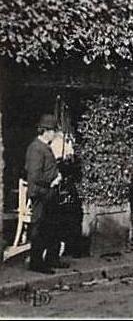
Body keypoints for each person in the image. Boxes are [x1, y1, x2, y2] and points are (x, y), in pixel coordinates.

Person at [25, 114, 67, 273]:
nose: (55, 134)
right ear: (46, 131)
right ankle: (36, 263)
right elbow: (34, 176)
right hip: (41, 193)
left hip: (49, 193)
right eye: (54, 131)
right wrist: (52, 180)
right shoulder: (36, 148)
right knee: (40, 228)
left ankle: (52, 258)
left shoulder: (44, 147)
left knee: (53, 227)